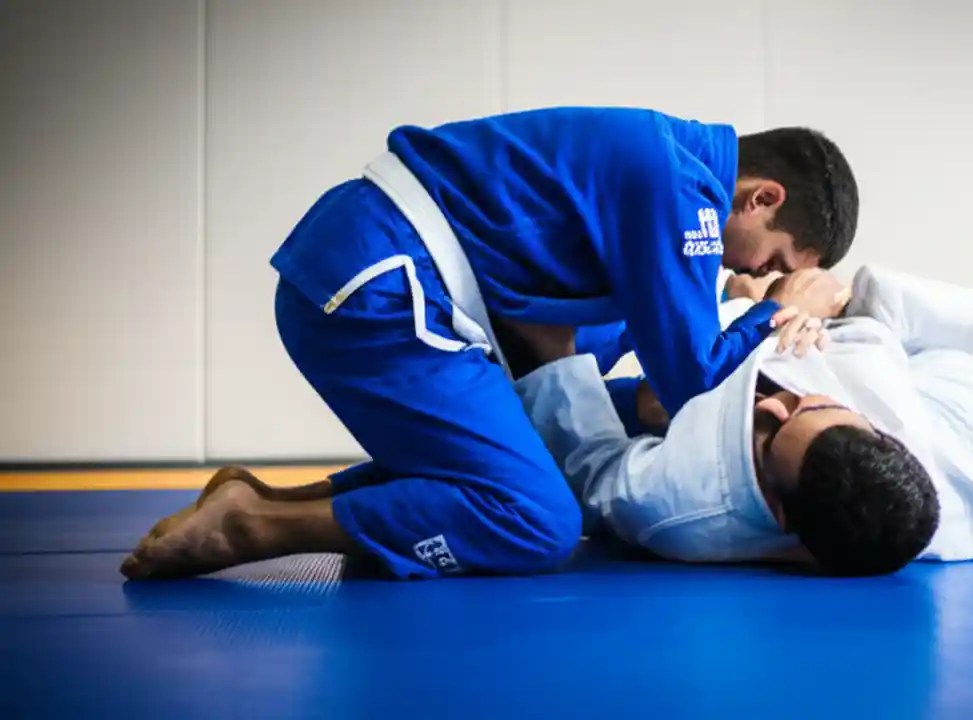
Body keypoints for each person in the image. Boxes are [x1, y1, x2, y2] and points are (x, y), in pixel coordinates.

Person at [120, 107, 858, 580]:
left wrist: (736, 305)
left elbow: (647, 344)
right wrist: (777, 310)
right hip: (381, 290)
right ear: (762, 198)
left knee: (603, 362)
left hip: (377, 271)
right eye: (774, 258)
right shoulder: (679, 190)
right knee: (538, 524)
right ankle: (260, 527)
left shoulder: (669, 164)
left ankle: (269, 497)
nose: (756, 271)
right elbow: (696, 378)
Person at [511, 264, 973, 575]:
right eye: (810, 405)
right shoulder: (935, 496)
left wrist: (553, 348)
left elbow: (593, 467)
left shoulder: (679, 507)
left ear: (785, 525)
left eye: (773, 432)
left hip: (696, 383)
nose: (779, 401)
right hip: (941, 388)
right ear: (879, 432)